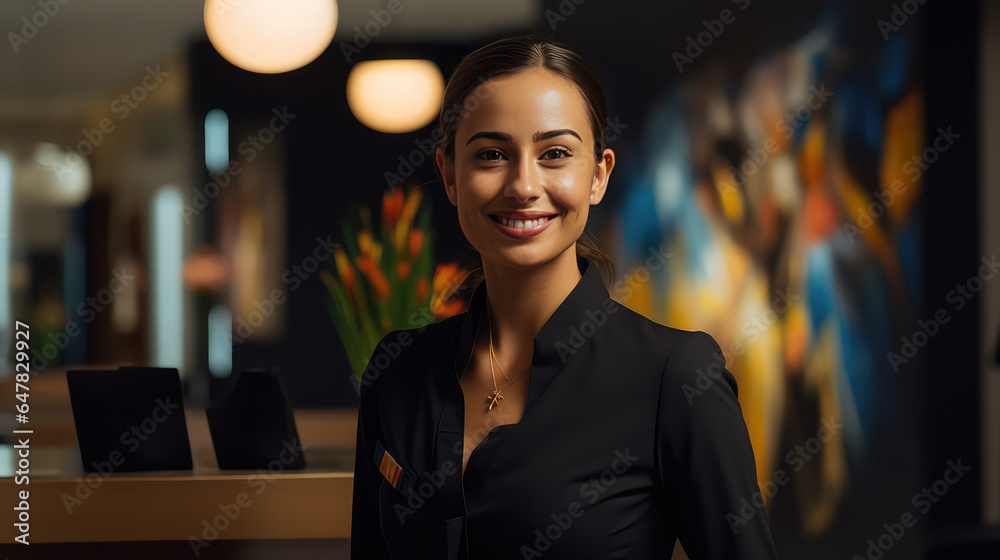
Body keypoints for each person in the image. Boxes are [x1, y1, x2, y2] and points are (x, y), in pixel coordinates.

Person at [350, 34, 779, 560]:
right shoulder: (399, 371)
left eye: (555, 154)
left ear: (598, 176)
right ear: (449, 174)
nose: (524, 185)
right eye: (491, 154)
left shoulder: (677, 376)